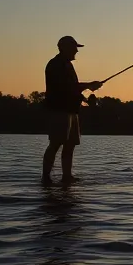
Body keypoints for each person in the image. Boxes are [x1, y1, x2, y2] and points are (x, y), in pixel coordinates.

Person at [42, 36, 103, 183]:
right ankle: (45, 177)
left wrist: (85, 99)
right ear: (65, 48)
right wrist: (88, 85)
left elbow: (72, 88)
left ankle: (67, 176)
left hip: (72, 110)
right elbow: (65, 87)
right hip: (59, 110)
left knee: (70, 145)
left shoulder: (68, 65)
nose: (76, 50)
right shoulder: (55, 64)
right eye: (74, 47)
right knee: (56, 143)